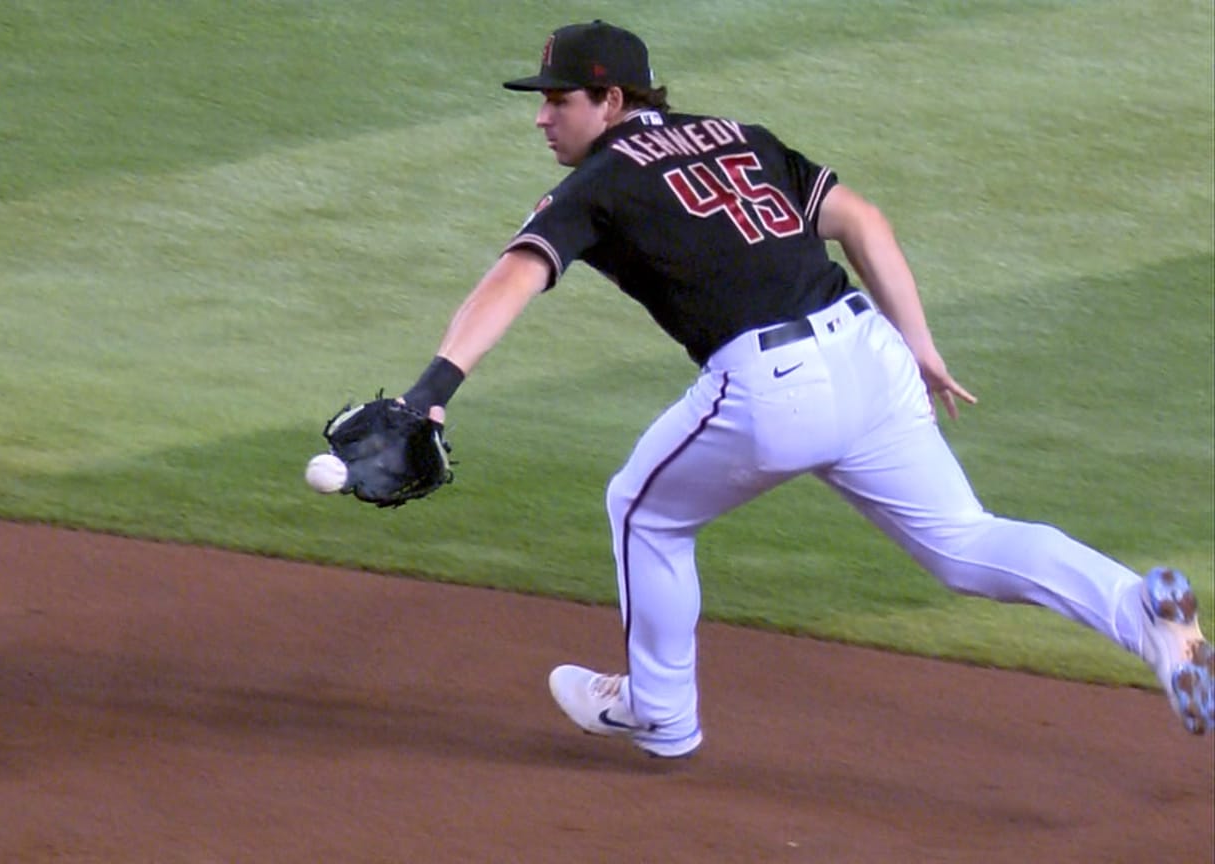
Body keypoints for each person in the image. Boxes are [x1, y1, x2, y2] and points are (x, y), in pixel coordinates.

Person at [394, 20, 1214, 756]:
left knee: (641, 510)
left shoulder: (600, 182)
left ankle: (660, 710)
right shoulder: (740, 136)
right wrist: (920, 346)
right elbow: (863, 221)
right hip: (870, 352)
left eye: (558, 100)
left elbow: (516, 273)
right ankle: (1142, 614)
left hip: (774, 385)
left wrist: (431, 387)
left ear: (610, 98)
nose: (542, 117)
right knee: (967, 542)